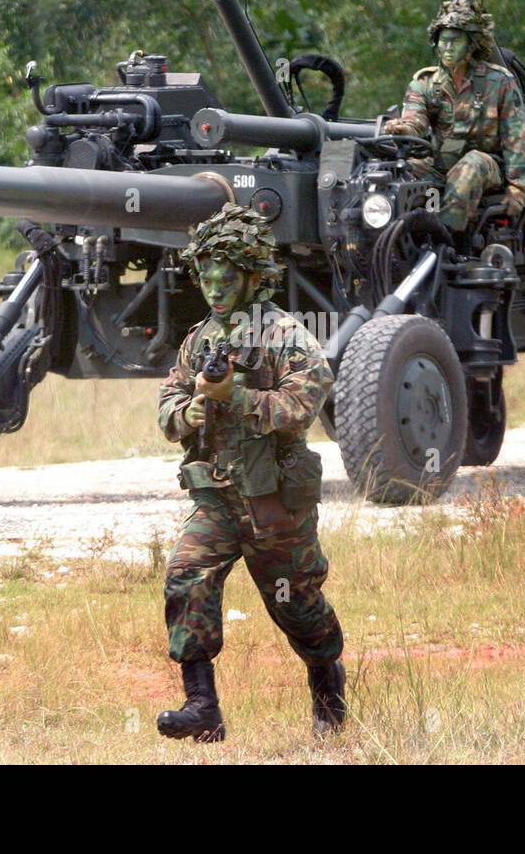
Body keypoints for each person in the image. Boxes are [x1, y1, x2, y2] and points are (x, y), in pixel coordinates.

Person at [155, 204, 345, 742]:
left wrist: (236, 396)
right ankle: (202, 709)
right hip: (217, 499)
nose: (215, 289)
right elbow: (169, 396)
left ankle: (329, 701)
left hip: (274, 504)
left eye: (227, 278)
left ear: (253, 277)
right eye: (207, 277)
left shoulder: (286, 335)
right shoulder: (200, 338)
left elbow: (303, 404)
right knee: (186, 578)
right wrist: (184, 412)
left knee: (298, 608)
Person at [383, 0, 525, 235]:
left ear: (471, 44)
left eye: (456, 41)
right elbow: (416, 121)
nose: (448, 47)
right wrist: (405, 129)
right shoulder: (425, 83)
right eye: (443, 41)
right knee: (395, 172)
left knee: (472, 164)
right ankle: (393, 235)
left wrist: (519, 188)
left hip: (487, 164)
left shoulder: (499, 81)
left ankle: (446, 238)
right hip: (441, 163)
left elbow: (516, 138)